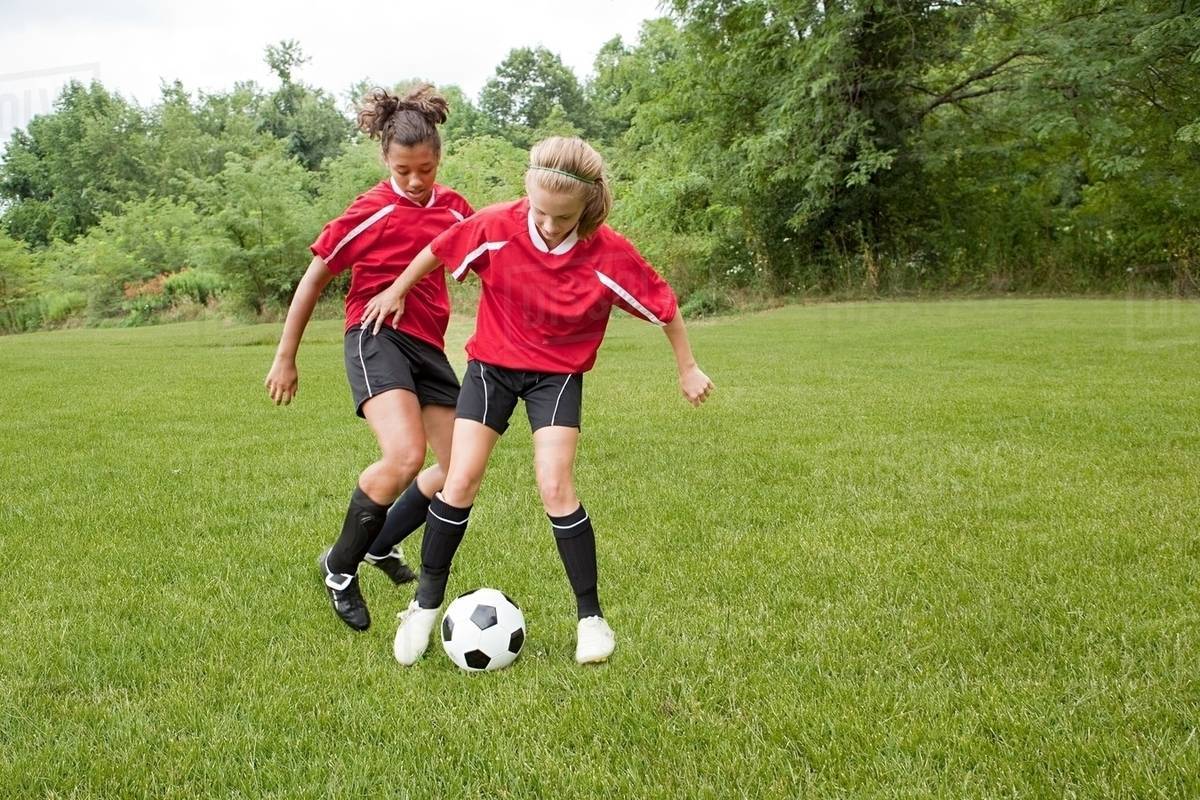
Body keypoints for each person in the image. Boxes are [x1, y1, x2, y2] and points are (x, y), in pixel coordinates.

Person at [360, 136, 714, 665]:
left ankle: (591, 619)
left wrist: (687, 367)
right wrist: (398, 289)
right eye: (541, 212)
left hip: (557, 377)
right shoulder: (498, 226)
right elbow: (441, 248)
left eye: (563, 218)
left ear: (587, 208)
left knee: (555, 484)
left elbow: (664, 307)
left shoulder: (609, 252)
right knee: (460, 478)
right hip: (491, 369)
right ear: (528, 195)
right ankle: (424, 604)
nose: (548, 225)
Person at [264, 85, 473, 632]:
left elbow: (485, 261)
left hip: (428, 346)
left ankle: (379, 545)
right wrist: (286, 357)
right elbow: (314, 278)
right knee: (404, 455)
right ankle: (339, 567)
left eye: (424, 168)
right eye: (403, 169)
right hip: (374, 335)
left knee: (457, 470)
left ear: (438, 159)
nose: (414, 180)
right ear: (385, 158)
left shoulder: (455, 209)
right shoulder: (370, 210)